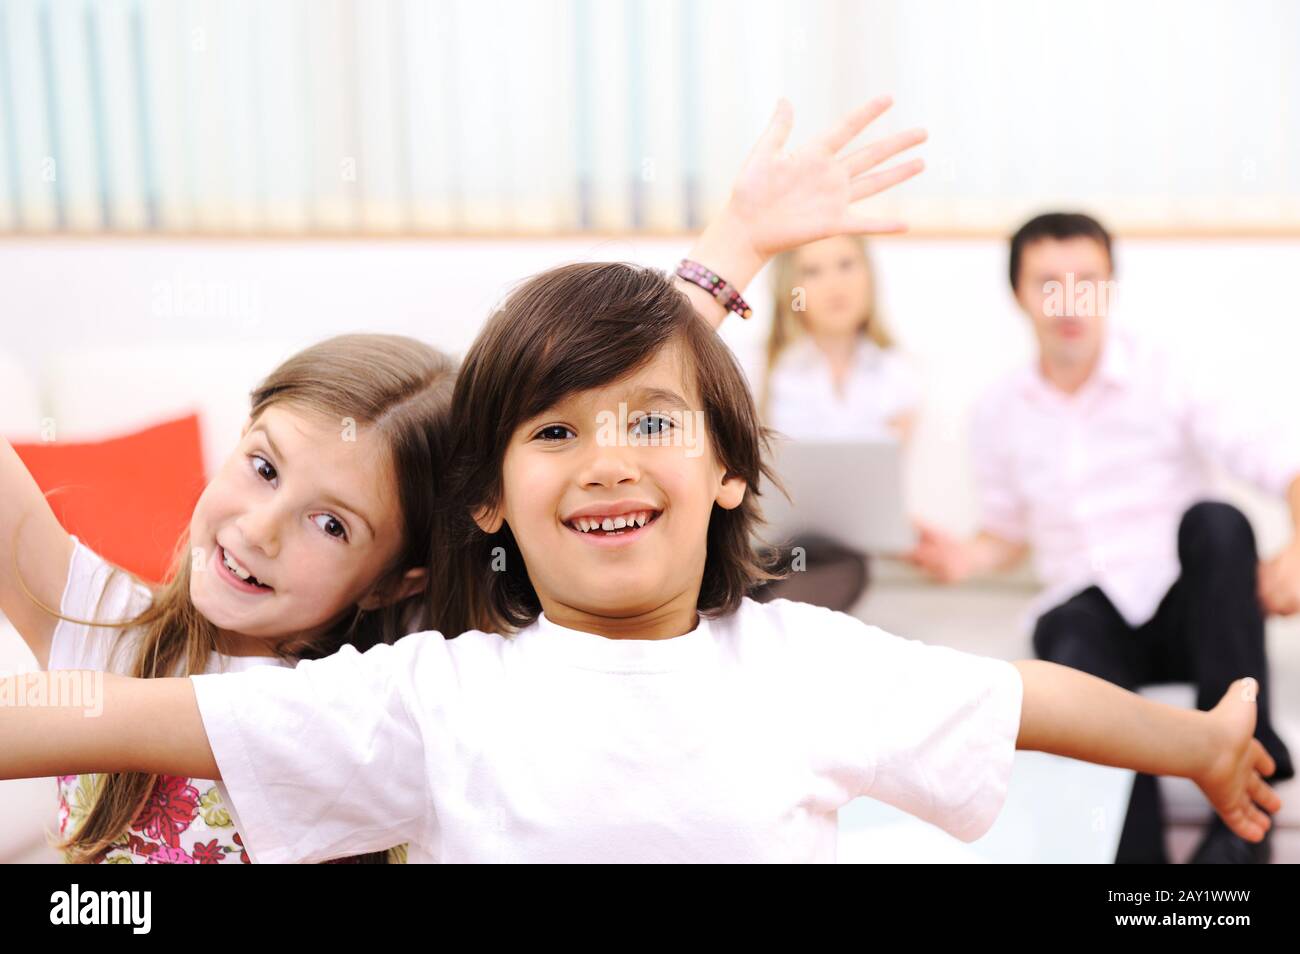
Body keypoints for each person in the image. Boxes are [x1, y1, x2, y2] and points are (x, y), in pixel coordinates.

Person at [0, 105, 1282, 863]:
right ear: (486, 505)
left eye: (650, 429)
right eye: (553, 441)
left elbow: (1022, 702)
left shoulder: (802, 660)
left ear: (729, 475)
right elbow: (101, 716)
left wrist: (1201, 743)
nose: (604, 453)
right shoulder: (423, 696)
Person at [909, 212, 1300, 864]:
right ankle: (1133, 865)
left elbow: (1285, 463)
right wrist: (963, 556)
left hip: (1188, 614)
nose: (1069, 302)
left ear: (1111, 286)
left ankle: (1239, 807)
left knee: (1219, 521)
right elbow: (1006, 535)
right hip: (1096, 627)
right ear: (1018, 295)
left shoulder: (1169, 370)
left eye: (1086, 282)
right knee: (1064, 624)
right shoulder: (997, 411)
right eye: (1048, 283)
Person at [0, 334, 470, 863]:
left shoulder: (360, 725)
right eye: (265, 468)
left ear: (392, 582)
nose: (259, 530)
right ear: (240, 437)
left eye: (330, 524)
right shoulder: (105, 622)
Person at [751, 234, 922, 610]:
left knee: (841, 568)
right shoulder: (760, 368)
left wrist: (905, 534)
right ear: (790, 288)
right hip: (759, 545)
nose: (835, 284)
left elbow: (875, 499)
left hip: (834, 556)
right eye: (812, 271)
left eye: (846, 265)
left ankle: (752, 621)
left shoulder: (897, 376)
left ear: (868, 276)